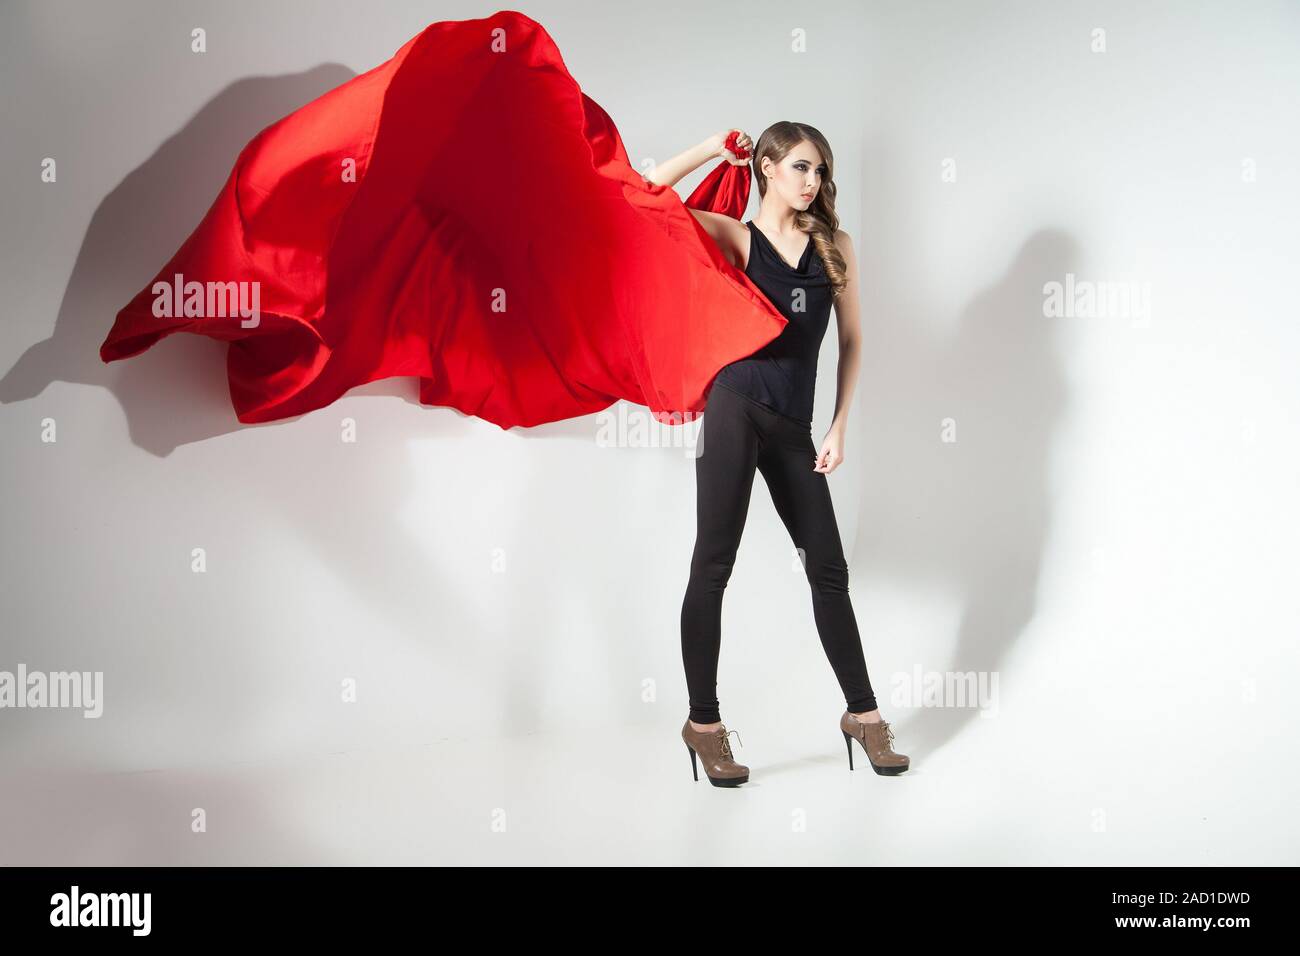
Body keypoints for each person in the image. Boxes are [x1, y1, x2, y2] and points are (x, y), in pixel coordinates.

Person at [647, 122, 910, 787]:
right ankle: (703, 724)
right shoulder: (738, 237)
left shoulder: (836, 248)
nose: (811, 181)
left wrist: (840, 425)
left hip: (795, 424)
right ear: (765, 167)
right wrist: (709, 150)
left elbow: (851, 342)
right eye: (799, 167)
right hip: (736, 406)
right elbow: (646, 196)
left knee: (829, 570)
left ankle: (864, 717)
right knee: (714, 563)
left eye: (820, 171)